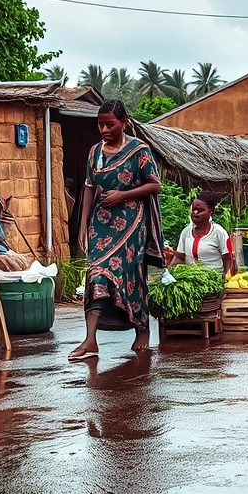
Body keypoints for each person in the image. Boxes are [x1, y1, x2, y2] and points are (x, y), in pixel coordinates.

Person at [71, 97, 164, 360]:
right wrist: (83, 224)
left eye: (110, 124)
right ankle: (90, 340)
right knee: (95, 274)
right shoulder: (94, 152)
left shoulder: (139, 150)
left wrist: (123, 195)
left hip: (131, 223)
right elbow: (89, 188)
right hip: (100, 224)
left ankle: (142, 329)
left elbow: (154, 185)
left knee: (130, 275)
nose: (104, 130)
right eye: (100, 125)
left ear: (123, 122)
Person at [164, 190, 236, 274]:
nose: (195, 213)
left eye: (200, 210)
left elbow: (228, 258)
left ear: (211, 211)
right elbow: (180, 257)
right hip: (192, 278)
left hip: (214, 279)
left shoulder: (218, 232)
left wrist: (224, 277)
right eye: (194, 209)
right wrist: (168, 273)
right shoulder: (186, 232)